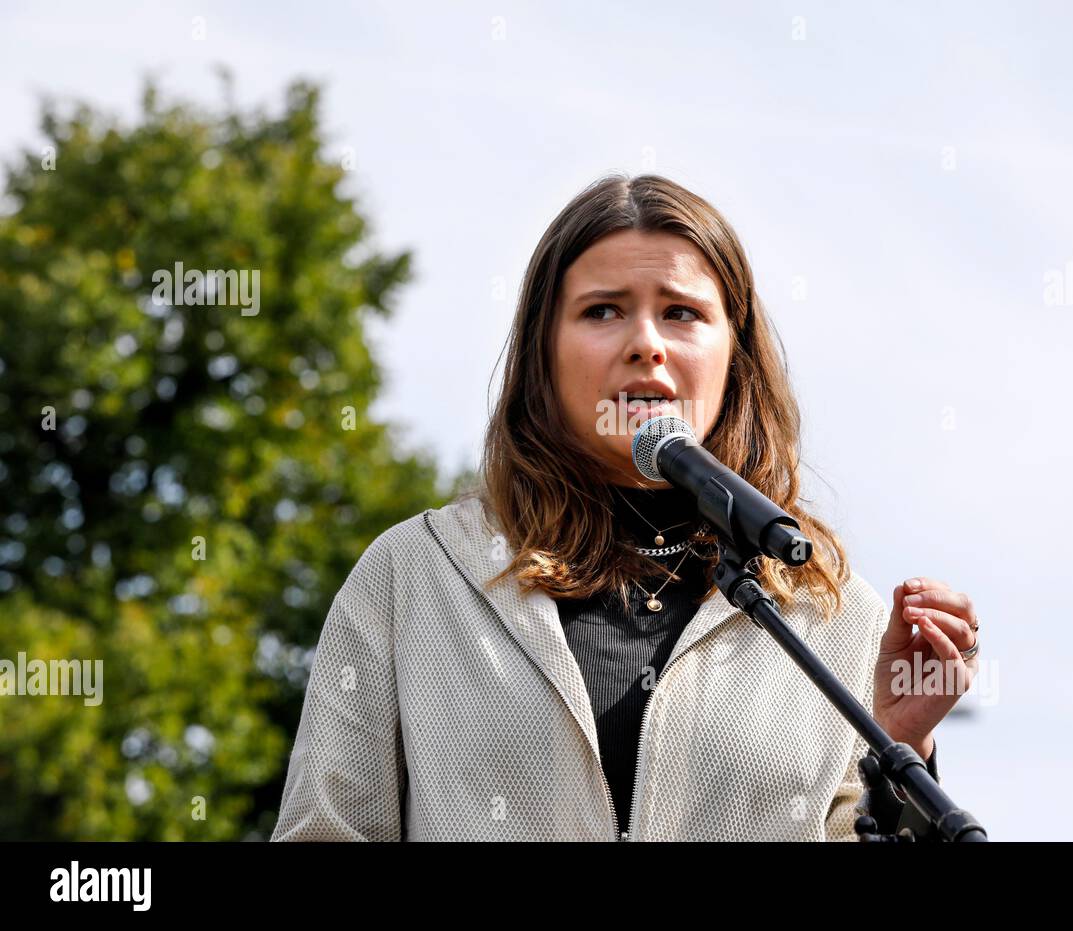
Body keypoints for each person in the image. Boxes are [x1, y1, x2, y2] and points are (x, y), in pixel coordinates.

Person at [271, 173, 982, 841]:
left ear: (733, 353)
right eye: (603, 310)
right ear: (544, 351)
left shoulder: (830, 617)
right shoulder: (412, 577)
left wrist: (903, 745)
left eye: (681, 313)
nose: (646, 344)